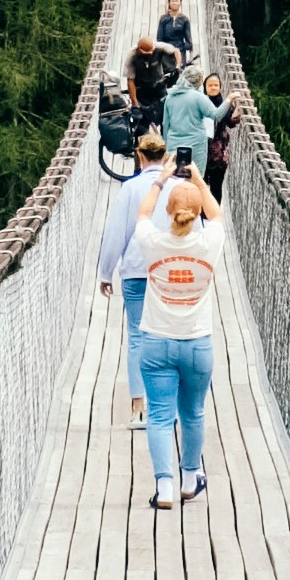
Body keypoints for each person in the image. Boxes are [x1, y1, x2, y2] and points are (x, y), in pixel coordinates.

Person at [133, 152, 222, 503]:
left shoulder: (154, 242)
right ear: (196, 213)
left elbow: (141, 214)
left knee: (159, 414)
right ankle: (189, 479)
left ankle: (164, 487)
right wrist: (198, 180)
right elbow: (216, 215)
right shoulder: (209, 241)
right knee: (194, 412)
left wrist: (160, 179)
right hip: (197, 343)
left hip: (155, 342)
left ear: (168, 211)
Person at [94, 135, 159, 416]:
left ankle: (137, 407)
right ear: (164, 156)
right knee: (168, 335)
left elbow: (115, 233)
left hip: (135, 269)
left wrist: (106, 273)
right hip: (170, 271)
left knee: (136, 336)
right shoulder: (180, 186)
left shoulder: (130, 188)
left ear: (140, 157)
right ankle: (164, 406)